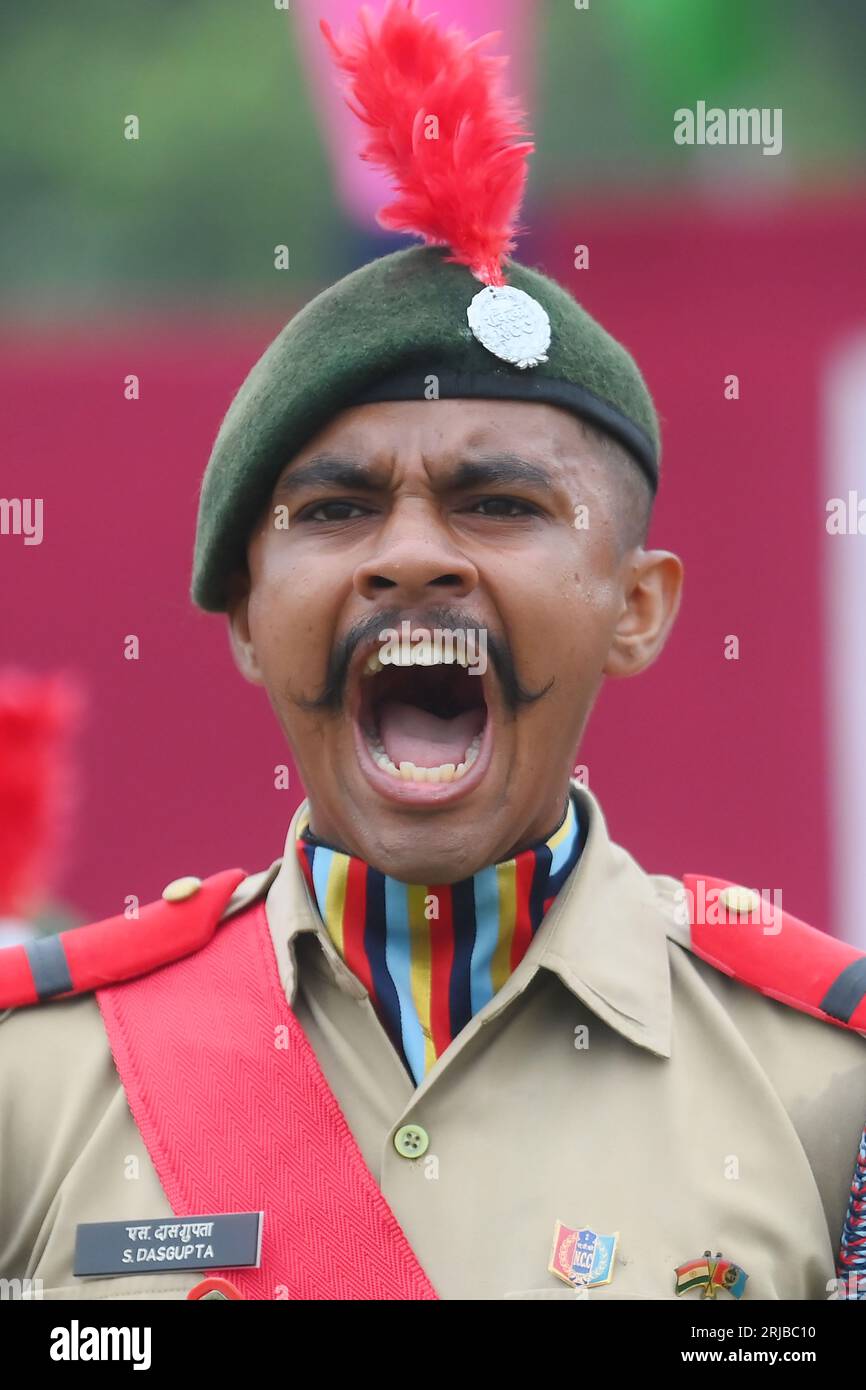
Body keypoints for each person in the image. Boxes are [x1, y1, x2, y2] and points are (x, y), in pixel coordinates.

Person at [1, 0, 864, 1302]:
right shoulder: (34, 1079)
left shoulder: (828, 1087)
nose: (410, 556)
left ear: (636, 606)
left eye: (499, 503)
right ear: (244, 612)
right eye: (337, 508)